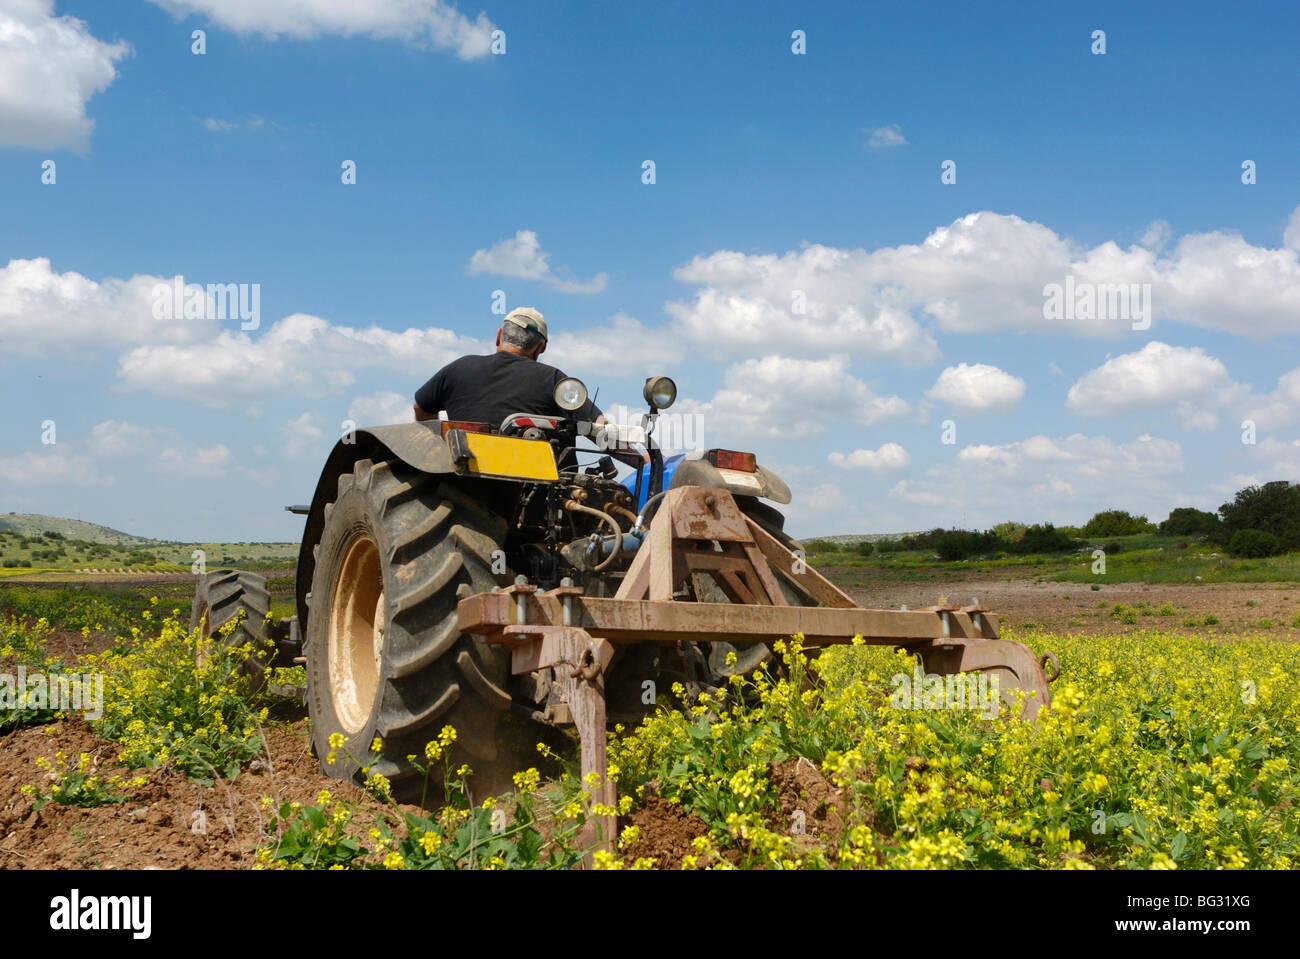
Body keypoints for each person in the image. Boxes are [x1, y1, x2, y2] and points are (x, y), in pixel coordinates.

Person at [413, 307, 646, 468]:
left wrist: (440, 449)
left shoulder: (458, 368)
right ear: (540, 348)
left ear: (498, 337)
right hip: (543, 504)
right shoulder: (554, 380)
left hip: (463, 482)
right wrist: (645, 462)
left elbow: (421, 408)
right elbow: (600, 432)